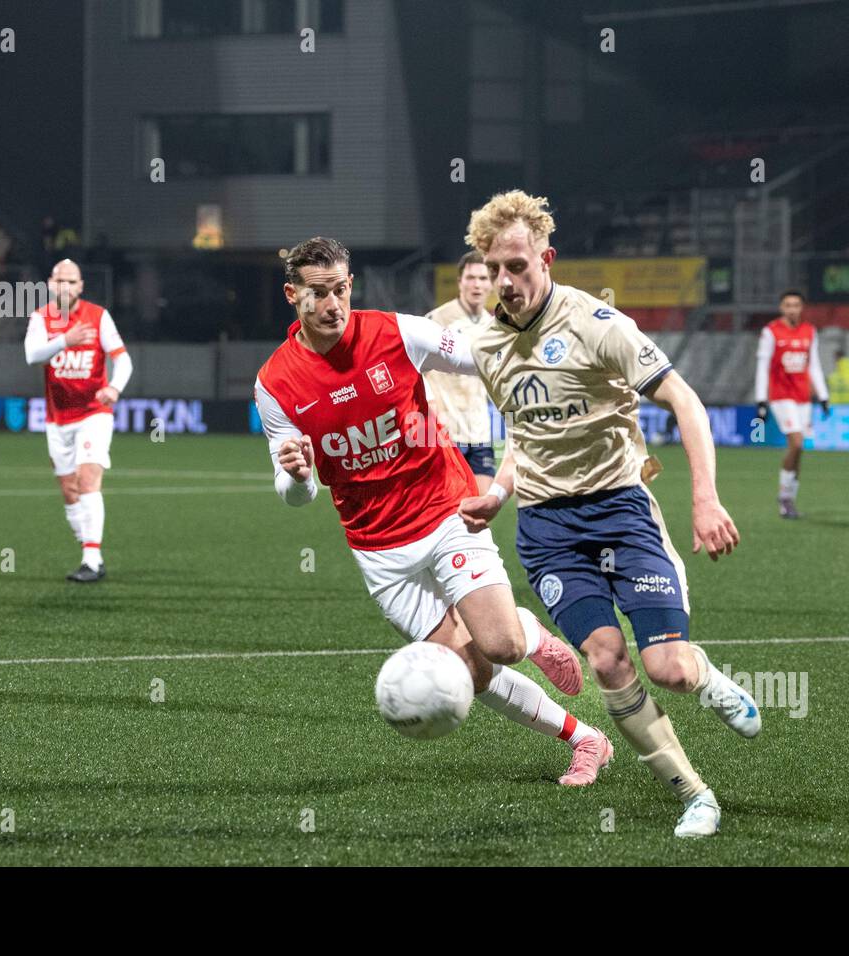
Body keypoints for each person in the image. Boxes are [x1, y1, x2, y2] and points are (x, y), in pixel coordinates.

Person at [255, 236, 612, 787]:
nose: (332, 305)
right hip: (378, 549)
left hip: (446, 511)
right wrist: (299, 475)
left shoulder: (396, 331)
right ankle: (585, 739)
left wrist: (547, 370)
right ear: (291, 293)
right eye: (318, 293)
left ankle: (532, 637)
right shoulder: (275, 383)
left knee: (503, 646)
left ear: (352, 286)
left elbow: (482, 359)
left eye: (341, 290)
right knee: (472, 670)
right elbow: (293, 492)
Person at [457, 191, 760, 838]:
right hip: (546, 528)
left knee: (667, 669)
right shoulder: (485, 345)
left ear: (547, 257)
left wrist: (705, 498)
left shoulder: (597, 323)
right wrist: (501, 491)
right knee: (606, 660)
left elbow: (685, 400)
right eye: (493, 269)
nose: (504, 282)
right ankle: (694, 794)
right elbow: (526, 429)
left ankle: (704, 677)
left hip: (621, 510)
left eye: (517, 266)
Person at [24, 258, 132, 582]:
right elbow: (32, 355)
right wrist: (65, 340)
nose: (66, 287)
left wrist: (114, 386)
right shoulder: (41, 318)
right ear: (50, 284)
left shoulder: (98, 317)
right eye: (60, 281)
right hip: (57, 419)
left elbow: (122, 360)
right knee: (70, 491)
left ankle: (92, 559)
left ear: (81, 286)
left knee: (87, 480)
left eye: (72, 282)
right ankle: (87, 542)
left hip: (93, 414)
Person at [424, 250, 496, 492]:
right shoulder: (438, 320)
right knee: (451, 513)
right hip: (447, 433)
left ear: (491, 283)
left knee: (480, 511)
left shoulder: (493, 327)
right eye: (471, 278)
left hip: (480, 430)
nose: (477, 285)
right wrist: (431, 406)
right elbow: (415, 367)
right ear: (460, 282)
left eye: (483, 278)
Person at [754, 290, 829, 518]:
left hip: (803, 398)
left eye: (796, 304)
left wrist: (823, 396)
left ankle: (789, 499)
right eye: (788, 304)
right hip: (781, 396)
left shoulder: (809, 331)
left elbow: (813, 365)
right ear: (781, 307)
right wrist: (761, 399)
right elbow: (763, 366)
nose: (792, 309)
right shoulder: (771, 332)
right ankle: (784, 496)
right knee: (795, 443)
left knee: (800, 448)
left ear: (802, 307)